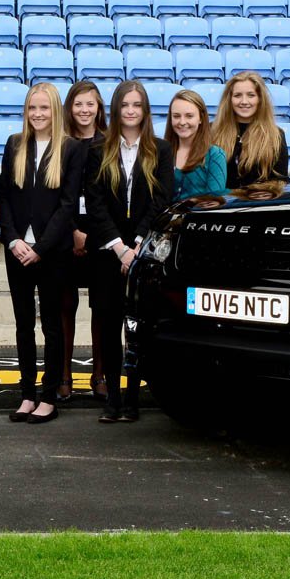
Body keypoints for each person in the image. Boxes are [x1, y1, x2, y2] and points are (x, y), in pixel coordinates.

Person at [84, 80, 174, 423]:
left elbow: (161, 200)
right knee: (107, 325)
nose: (131, 110)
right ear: (116, 109)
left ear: (145, 110)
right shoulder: (98, 150)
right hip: (108, 252)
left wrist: (137, 244)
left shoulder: (161, 150)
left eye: (137, 105)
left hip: (144, 253)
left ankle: (133, 398)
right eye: (125, 105)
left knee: (137, 327)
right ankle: (113, 400)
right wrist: (118, 247)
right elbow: (94, 204)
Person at [0, 83, 83, 425]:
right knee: (22, 326)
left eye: (44, 108)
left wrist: (41, 247)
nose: (37, 114)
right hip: (17, 250)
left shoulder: (72, 149)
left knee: (51, 325)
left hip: (53, 252)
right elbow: (3, 197)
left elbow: (68, 204)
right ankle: (27, 394)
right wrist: (13, 240)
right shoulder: (15, 144)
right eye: (32, 108)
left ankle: (49, 396)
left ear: (56, 111)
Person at [61, 80, 108, 403]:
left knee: (102, 309)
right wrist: (74, 230)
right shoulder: (61, 144)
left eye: (89, 104)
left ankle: (100, 374)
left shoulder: (109, 144)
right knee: (64, 306)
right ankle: (63, 375)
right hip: (65, 234)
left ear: (99, 108)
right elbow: (55, 195)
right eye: (78, 104)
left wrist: (93, 232)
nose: (84, 110)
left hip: (102, 235)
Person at [211, 71, 289, 189]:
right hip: (220, 205)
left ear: (260, 99)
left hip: (256, 205)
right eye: (237, 95)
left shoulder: (276, 135)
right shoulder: (211, 131)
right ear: (229, 99)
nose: (244, 101)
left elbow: (280, 181)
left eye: (251, 95)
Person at [166, 89, 227, 201]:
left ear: (201, 119)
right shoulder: (162, 152)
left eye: (189, 116)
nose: (182, 122)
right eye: (176, 116)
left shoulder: (215, 155)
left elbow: (213, 201)